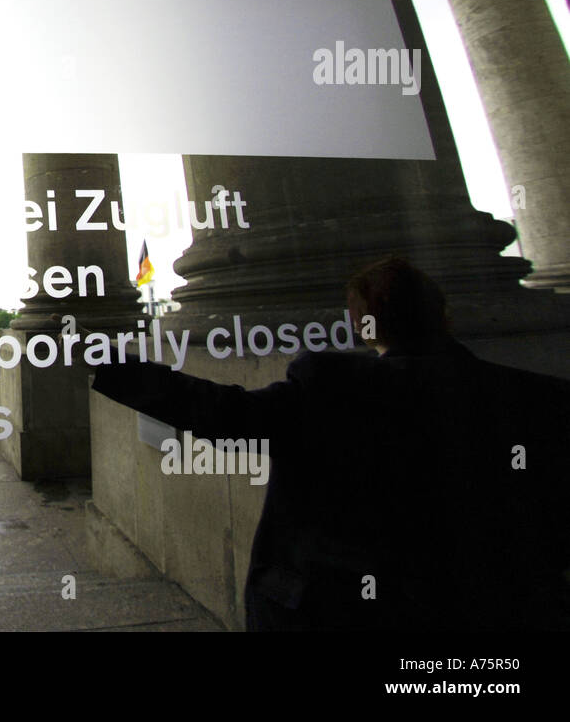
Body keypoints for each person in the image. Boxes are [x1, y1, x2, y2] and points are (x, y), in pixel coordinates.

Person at [92, 256, 570, 632]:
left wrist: (110, 363)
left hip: (342, 612)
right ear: (445, 316)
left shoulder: (332, 391)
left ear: (365, 326)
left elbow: (222, 412)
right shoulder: (541, 400)